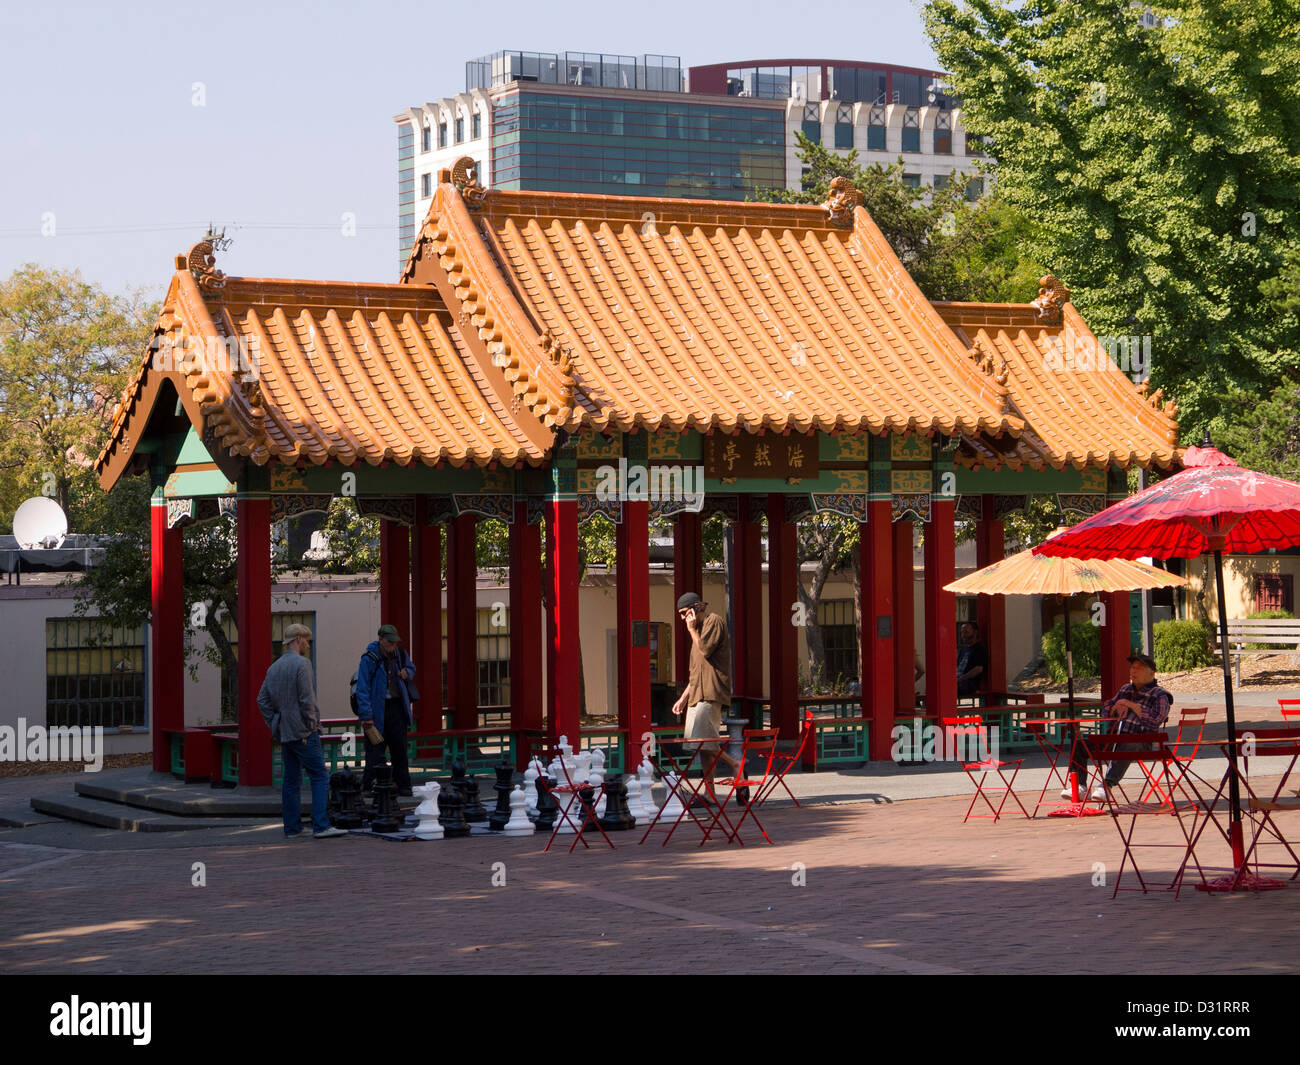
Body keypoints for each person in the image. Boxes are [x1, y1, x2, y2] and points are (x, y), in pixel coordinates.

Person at [257, 623, 347, 839]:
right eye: (306, 639)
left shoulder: (274, 667)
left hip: (285, 731)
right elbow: (308, 699)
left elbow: (262, 700)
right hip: (304, 731)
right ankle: (321, 825)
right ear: (298, 639)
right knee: (319, 776)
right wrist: (313, 724)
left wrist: (275, 721)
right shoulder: (302, 664)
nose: (308, 643)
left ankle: (292, 827)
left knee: (290, 781)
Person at [670, 593, 742, 801]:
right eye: (681, 615)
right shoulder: (697, 632)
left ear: (695, 608)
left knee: (705, 740)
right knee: (700, 745)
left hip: (711, 692)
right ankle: (710, 793)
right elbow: (696, 672)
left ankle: (734, 764)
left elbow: (704, 651)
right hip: (697, 693)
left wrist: (692, 630)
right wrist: (683, 698)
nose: (683, 618)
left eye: (685, 613)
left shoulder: (714, 622)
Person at [1087, 652, 1173, 800]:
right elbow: (1106, 710)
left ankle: (1107, 785)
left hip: (1141, 743)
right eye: (1132, 667)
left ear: (1151, 672)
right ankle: (1079, 786)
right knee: (1081, 744)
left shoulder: (1160, 695)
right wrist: (1116, 707)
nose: (1133, 671)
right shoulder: (1125, 689)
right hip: (1114, 738)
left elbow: (1154, 721)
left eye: (1139, 668)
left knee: (1130, 742)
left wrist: (1132, 705)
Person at [356, 624, 418, 796]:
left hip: (397, 707)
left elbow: (412, 668)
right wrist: (366, 716)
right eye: (389, 641)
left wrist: (407, 672)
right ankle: (368, 785)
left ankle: (403, 784)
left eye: (394, 642)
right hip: (376, 711)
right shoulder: (369, 658)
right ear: (381, 640)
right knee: (375, 750)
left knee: (400, 748)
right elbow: (362, 688)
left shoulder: (399, 654)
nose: (393, 645)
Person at [956, 621, 988, 697]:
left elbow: (978, 669)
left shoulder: (979, 649)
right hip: (959, 681)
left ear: (975, 632)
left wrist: (961, 678)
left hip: (969, 684)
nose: (963, 635)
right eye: (962, 633)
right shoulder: (963, 650)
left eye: (966, 632)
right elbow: (957, 667)